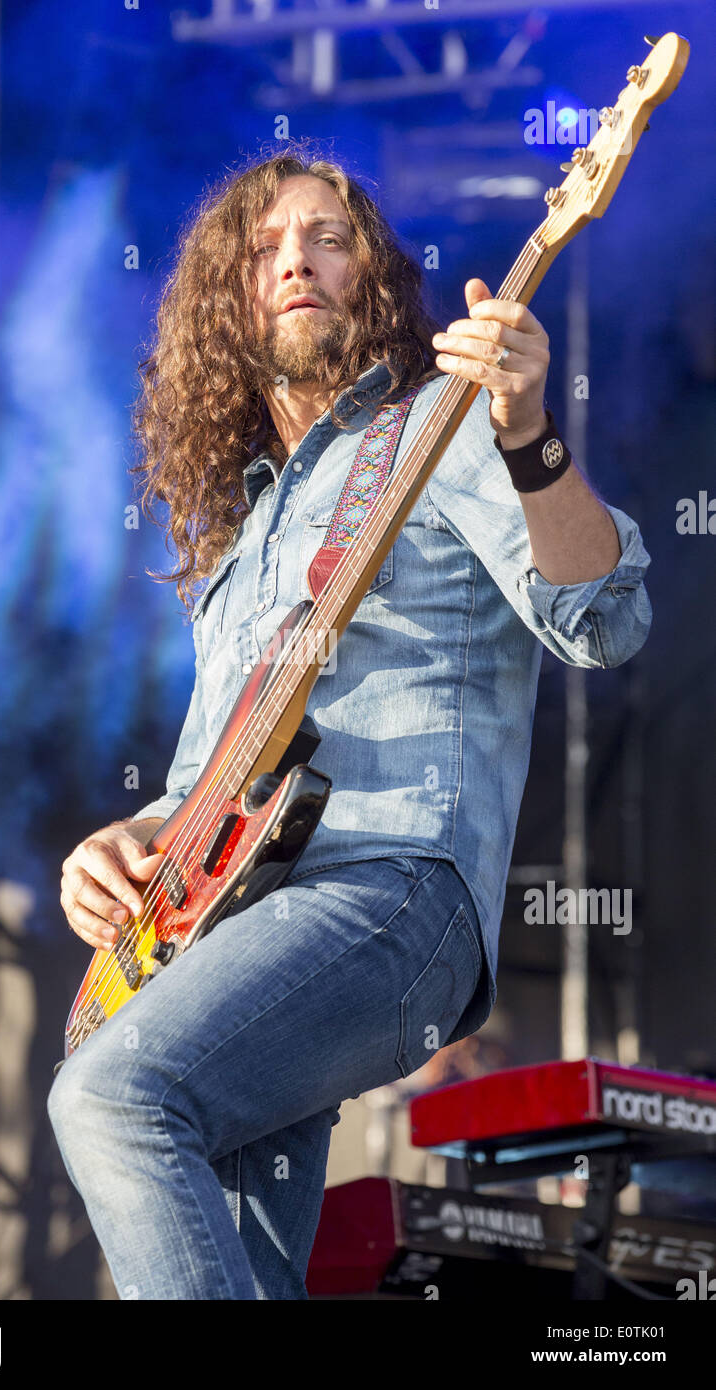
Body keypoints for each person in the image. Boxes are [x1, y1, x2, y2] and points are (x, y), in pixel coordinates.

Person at [47, 145, 651, 1300]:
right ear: (224, 302)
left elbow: (603, 619)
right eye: (264, 246)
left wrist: (525, 430)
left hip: (393, 887)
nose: (296, 260)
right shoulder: (241, 537)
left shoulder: (443, 424)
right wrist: (123, 843)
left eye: (327, 237)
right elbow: (199, 784)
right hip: (235, 923)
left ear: (370, 274)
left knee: (113, 1095)